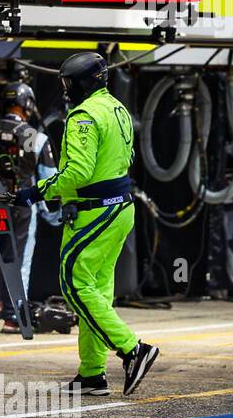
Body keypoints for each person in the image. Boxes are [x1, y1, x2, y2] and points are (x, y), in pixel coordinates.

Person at [13, 52, 159, 396]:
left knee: (74, 283)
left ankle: (133, 349)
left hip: (98, 210)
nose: (65, 90)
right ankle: (93, 373)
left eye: (68, 83)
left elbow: (77, 172)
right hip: (120, 209)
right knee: (96, 292)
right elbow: (124, 158)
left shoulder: (84, 116)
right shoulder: (116, 108)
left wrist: (36, 192)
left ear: (82, 82)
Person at [0, 79, 60, 334]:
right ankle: (12, 316)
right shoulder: (37, 138)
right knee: (18, 260)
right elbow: (49, 178)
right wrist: (51, 213)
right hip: (21, 206)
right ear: (27, 106)